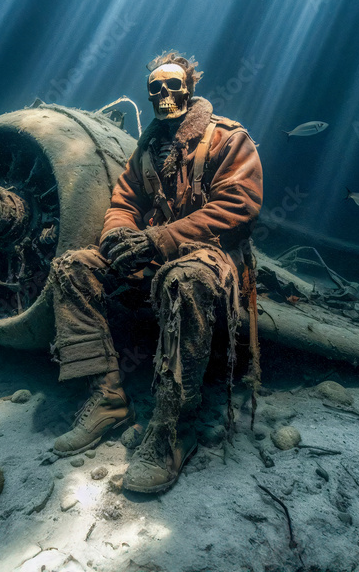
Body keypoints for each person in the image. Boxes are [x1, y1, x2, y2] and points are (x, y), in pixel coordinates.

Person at [47, 51, 263, 493]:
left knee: (186, 281)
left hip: (211, 258)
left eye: (172, 86)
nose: (163, 96)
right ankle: (106, 397)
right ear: (148, 95)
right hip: (156, 252)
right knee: (72, 267)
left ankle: (172, 427)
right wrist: (118, 238)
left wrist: (157, 239)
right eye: (154, 89)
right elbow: (125, 202)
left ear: (189, 87)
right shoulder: (146, 150)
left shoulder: (227, 138)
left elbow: (238, 205)